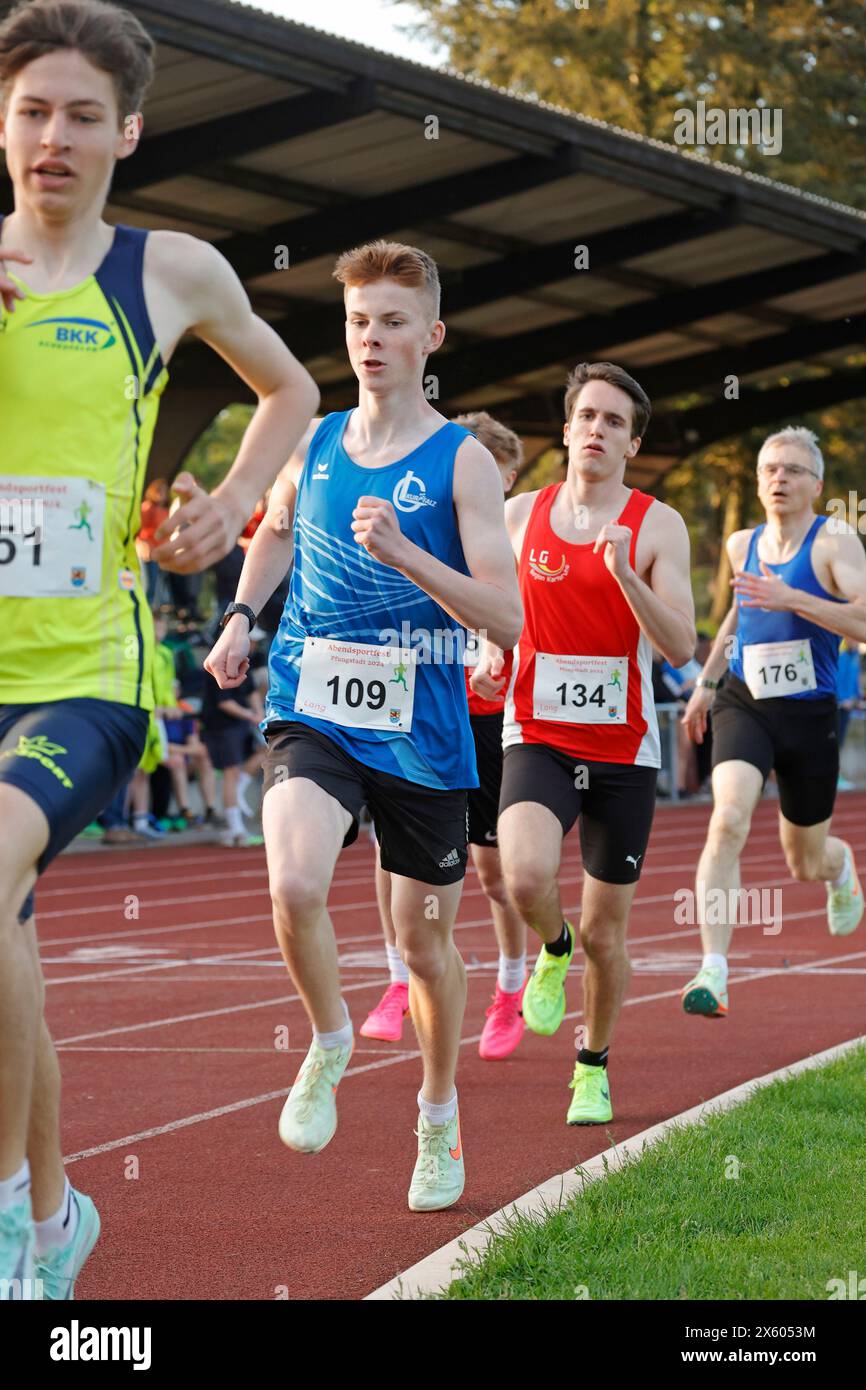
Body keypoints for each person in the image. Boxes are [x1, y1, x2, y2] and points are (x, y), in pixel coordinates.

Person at [0, 0, 318, 1297]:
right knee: (4, 936)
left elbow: (289, 389)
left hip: (88, 672)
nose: (55, 137)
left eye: (83, 114)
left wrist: (231, 502)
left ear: (126, 130)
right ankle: (55, 1218)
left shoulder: (168, 270)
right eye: (32, 110)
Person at [205, 240, 522, 1211]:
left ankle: (436, 1110)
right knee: (296, 875)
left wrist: (402, 552)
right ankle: (331, 1036)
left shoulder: (460, 461)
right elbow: (272, 529)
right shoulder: (317, 440)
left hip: (423, 730)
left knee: (422, 943)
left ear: (430, 335)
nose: (371, 339)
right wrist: (241, 619)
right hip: (314, 702)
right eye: (356, 322)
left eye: (390, 322)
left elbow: (503, 617)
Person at [472, 361, 695, 1125]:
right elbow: (487, 604)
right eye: (586, 417)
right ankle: (551, 946)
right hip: (537, 733)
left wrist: (628, 578)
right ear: (565, 431)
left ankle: (592, 1065)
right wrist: (489, 644)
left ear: (632, 444)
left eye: (613, 422)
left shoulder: (657, 524)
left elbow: (679, 645)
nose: (596, 431)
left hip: (625, 749)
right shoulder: (518, 514)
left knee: (610, 932)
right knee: (525, 877)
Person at [680, 426, 866, 1018]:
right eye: (769, 470)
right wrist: (706, 685)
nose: (778, 479)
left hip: (811, 715)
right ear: (759, 482)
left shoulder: (835, 539)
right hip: (747, 702)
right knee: (727, 819)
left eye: (791, 470)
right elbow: (739, 614)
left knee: (803, 861)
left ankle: (840, 870)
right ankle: (714, 969)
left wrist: (795, 600)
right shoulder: (742, 544)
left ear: (816, 483)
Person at [360, 411, 529, 1061]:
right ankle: (399, 979)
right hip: (418, 708)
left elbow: (509, 616)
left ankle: (510, 989)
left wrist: (491, 652)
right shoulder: (419, 532)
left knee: (491, 871)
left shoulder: (508, 538)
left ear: (503, 476)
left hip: (489, 719)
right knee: (387, 850)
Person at [200, 637, 266, 848]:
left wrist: (259, 715)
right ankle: (236, 828)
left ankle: (239, 790)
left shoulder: (245, 662)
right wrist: (251, 715)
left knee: (266, 751)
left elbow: (252, 691)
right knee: (230, 772)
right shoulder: (219, 661)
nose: (255, 645)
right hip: (222, 726)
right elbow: (225, 702)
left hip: (240, 725)